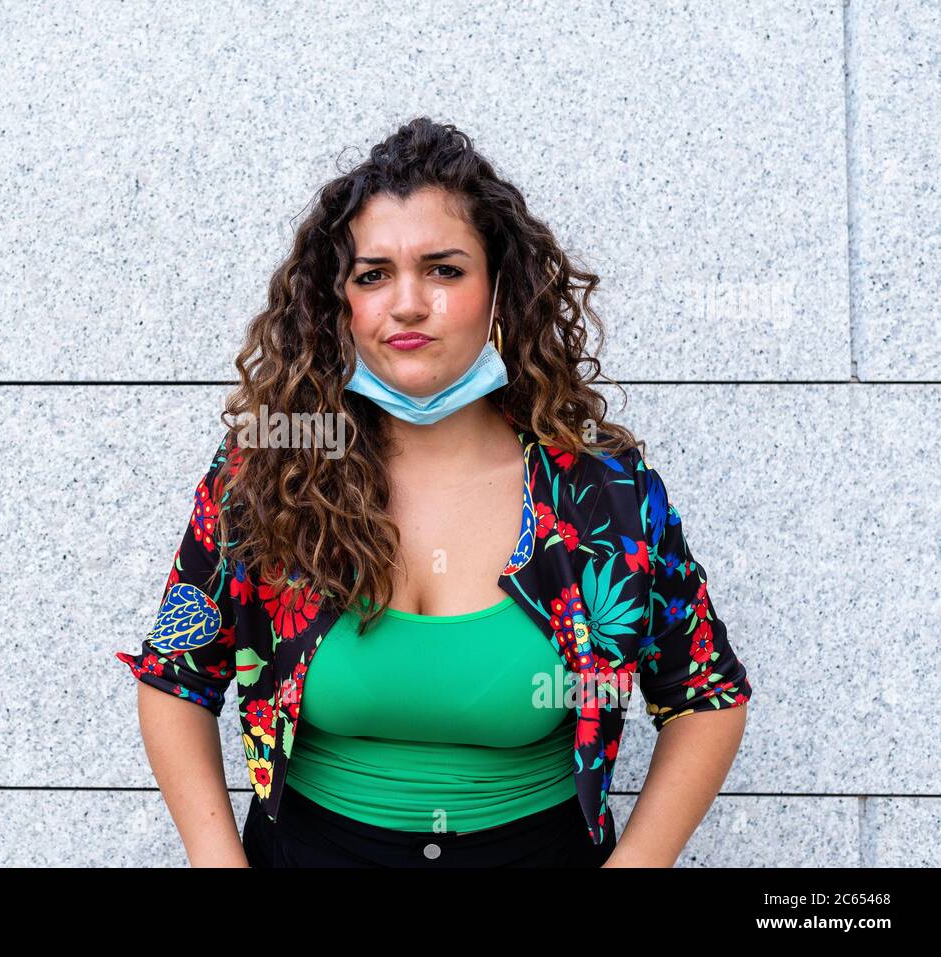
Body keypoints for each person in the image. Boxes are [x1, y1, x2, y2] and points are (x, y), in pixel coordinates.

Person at [115, 116, 752, 867]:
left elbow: (705, 695)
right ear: (338, 300)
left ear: (499, 289)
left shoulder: (603, 491)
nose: (407, 303)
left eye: (444, 269)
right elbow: (175, 677)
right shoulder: (270, 470)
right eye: (372, 274)